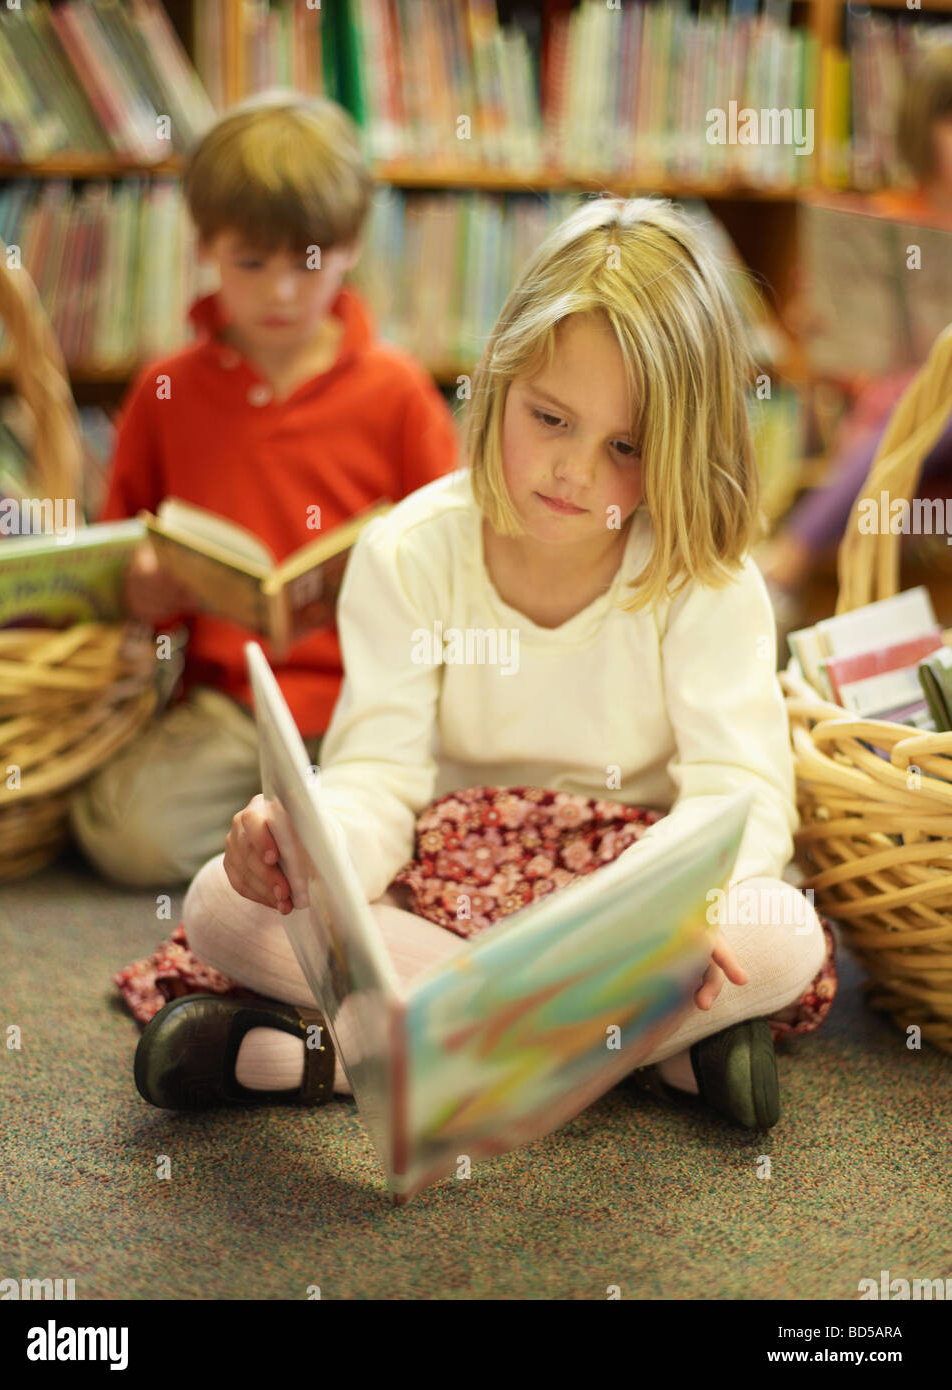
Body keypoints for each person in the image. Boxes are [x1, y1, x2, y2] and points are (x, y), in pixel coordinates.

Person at [132, 196, 836, 1133]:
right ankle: (644, 1063)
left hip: (630, 903)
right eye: (549, 418)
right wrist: (312, 850)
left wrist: (672, 914)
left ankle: (321, 1060)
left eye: (624, 447)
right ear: (498, 378)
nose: (573, 472)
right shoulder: (410, 552)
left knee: (781, 934)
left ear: (678, 450)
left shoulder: (704, 577)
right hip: (447, 889)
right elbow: (377, 778)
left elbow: (738, 792)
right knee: (225, 905)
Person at [69, 92, 459, 888]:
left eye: (308, 263)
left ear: (349, 249)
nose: (282, 292)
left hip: (374, 695)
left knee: (460, 814)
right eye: (252, 263)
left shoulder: (395, 390)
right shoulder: (166, 390)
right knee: (125, 839)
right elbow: (125, 560)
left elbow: (458, 551)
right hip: (232, 705)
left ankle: (310, 832)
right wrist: (147, 588)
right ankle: (299, 839)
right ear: (208, 245)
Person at [760, 40, 952, 610]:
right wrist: (819, 334)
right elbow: (840, 378)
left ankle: (788, 561)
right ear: (925, 127)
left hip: (917, 439)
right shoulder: (889, 224)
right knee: (921, 395)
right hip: (898, 447)